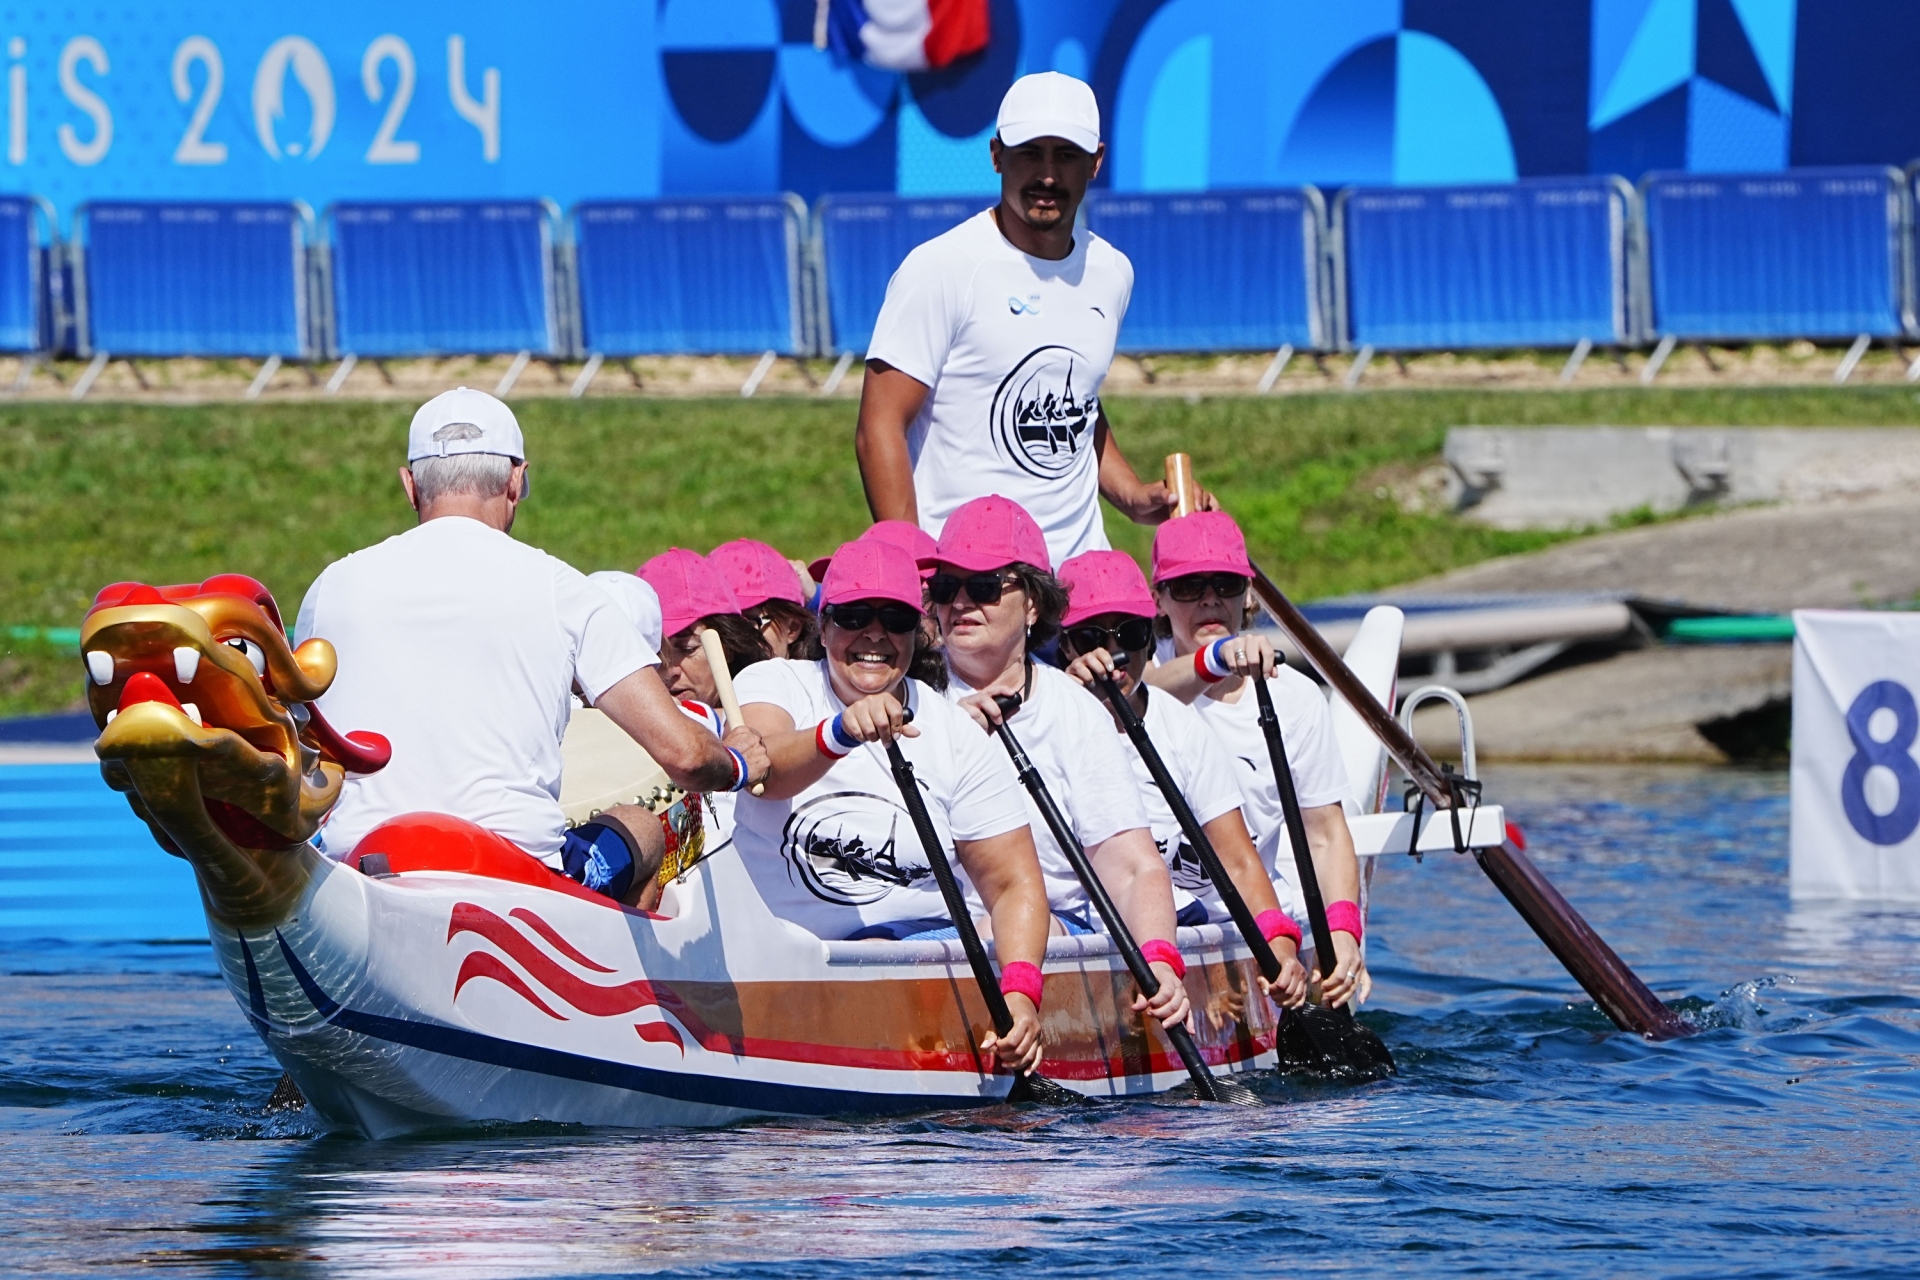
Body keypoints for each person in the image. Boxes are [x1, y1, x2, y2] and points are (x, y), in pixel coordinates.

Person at [295, 388, 767, 904]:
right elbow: (685, 756)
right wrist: (738, 763)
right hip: (514, 877)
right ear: (517, 480)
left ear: (410, 486)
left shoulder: (329, 588)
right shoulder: (563, 590)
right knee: (641, 827)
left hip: (361, 866)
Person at [854, 71, 1215, 571]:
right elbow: (879, 427)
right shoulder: (941, 268)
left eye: (1066, 155)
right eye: (1029, 153)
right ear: (997, 155)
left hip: (1082, 584)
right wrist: (916, 572)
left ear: (1096, 162)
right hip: (970, 585)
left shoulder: (1111, 272)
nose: (1047, 174)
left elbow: (1075, 402)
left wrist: (1131, 495)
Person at [732, 538, 1048, 1075]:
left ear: (917, 633)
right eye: (854, 615)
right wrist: (837, 734)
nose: (874, 634)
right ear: (824, 626)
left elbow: (1013, 882)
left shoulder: (953, 729)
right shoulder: (773, 683)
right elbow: (765, 769)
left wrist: (1021, 994)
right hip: (786, 963)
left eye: (895, 619)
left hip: (914, 965)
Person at [930, 494, 1192, 1033]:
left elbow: (1133, 864)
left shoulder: (1075, 711)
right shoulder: (911, 698)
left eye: (981, 586)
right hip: (921, 930)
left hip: (1050, 930)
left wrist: (1160, 961)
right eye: (944, 587)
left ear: (1031, 604)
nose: (959, 602)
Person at [1055, 550, 1309, 1010]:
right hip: (1078, 928)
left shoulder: (1181, 726)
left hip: (1177, 922)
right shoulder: (1043, 722)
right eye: (1091, 638)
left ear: (1150, 642)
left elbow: (1237, 862)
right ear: (1066, 648)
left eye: (1128, 635)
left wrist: (1282, 949)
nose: (1112, 655)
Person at [1143, 512, 1370, 1008]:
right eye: (1186, 587)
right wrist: (1215, 659)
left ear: (1248, 594)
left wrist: (1345, 931)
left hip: (1258, 919)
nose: (1208, 599)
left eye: (1224, 584)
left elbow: (1326, 833)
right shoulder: (1132, 679)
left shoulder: (1295, 699)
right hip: (1153, 918)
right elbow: (1129, 702)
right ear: (1157, 599)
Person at [710, 538, 819, 660]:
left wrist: (816, 599)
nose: (734, 640)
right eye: (720, 627)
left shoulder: (821, 676)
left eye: (748, 624)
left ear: (793, 628)